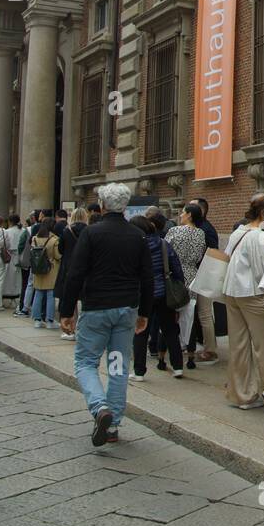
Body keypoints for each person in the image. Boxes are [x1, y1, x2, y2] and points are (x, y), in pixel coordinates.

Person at [62, 183, 153, 446]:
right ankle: (112, 425)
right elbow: (147, 278)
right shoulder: (137, 236)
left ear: (101, 205)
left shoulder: (91, 234)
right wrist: (144, 312)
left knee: (86, 363)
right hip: (126, 310)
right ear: (125, 206)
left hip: (96, 308)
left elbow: (75, 274)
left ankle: (100, 407)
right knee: (117, 366)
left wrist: (67, 311)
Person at [221, 195, 264, 408]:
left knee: (238, 344)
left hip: (232, 291)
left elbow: (228, 257)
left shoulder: (239, 232)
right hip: (253, 293)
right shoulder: (260, 237)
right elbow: (263, 271)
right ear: (263, 213)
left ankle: (242, 395)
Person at [131, 214, 185, 379]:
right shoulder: (163, 244)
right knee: (170, 330)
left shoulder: (134, 246)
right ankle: (178, 367)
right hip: (164, 293)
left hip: (142, 294)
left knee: (141, 332)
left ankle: (139, 371)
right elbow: (176, 268)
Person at [167, 203, 218, 367]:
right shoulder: (201, 233)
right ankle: (188, 348)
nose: (180, 215)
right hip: (193, 274)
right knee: (189, 314)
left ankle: (175, 348)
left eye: (182, 212)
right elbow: (199, 256)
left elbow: (166, 250)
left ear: (189, 214)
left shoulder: (174, 231)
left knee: (172, 313)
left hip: (176, 275)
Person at [56, 207, 88, 338]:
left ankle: (71, 327)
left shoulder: (67, 231)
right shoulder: (89, 231)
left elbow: (60, 249)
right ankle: (83, 328)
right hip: (85, 267)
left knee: (70, 297)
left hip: (69, 266)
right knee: (85, 299)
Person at [27, 218, 61, 330]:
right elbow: (58, 256)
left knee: (38, 293)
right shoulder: (54, 240)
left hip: (37, 269)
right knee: (50, 295)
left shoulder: (35, 238)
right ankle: (50, 320)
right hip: (50, 269)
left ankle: (37, 320)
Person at [0, 214, 24, 312]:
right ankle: (17, 295)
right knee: (18, 277)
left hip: (10, 255)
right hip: (20, 255)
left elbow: (7, 244)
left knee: (9, 277)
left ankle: (8, 295)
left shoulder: (7, 231)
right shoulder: (23, 231)